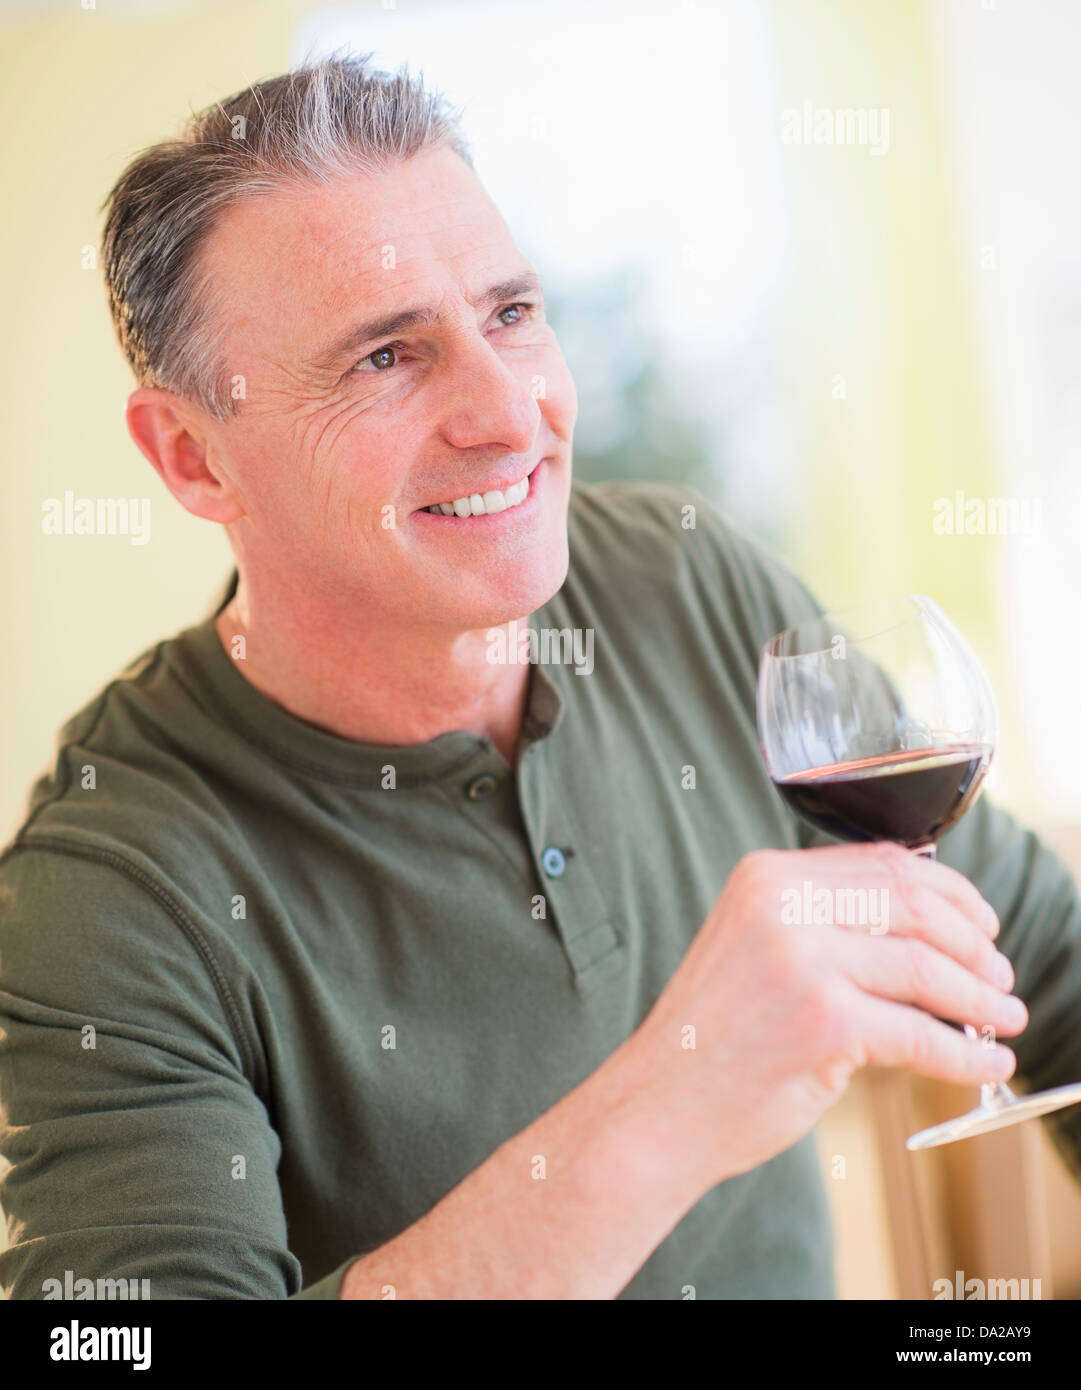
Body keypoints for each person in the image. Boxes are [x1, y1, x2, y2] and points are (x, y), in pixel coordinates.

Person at [2, 53, 1079, 1302]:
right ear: (193, 457)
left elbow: (1038, 954)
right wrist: (671, 1102)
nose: (510, 413)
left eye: (511, 315)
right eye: (385, 360)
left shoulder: (689, 584)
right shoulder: (103, 894)